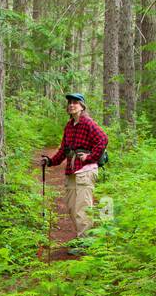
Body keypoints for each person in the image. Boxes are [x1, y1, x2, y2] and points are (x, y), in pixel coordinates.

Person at [41, 93, 108, 247]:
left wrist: (90, 157)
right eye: (70, 103)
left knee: (82, 208)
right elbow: (64, 150)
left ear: (82, 106)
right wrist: (50, 161)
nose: (71, 105)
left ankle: (85, 242)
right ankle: (81, 237)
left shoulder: (88, 123)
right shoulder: (69, 126)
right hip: (72, 171)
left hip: (86, 170)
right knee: (72, 207)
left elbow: (103, 139)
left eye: (75, 102)